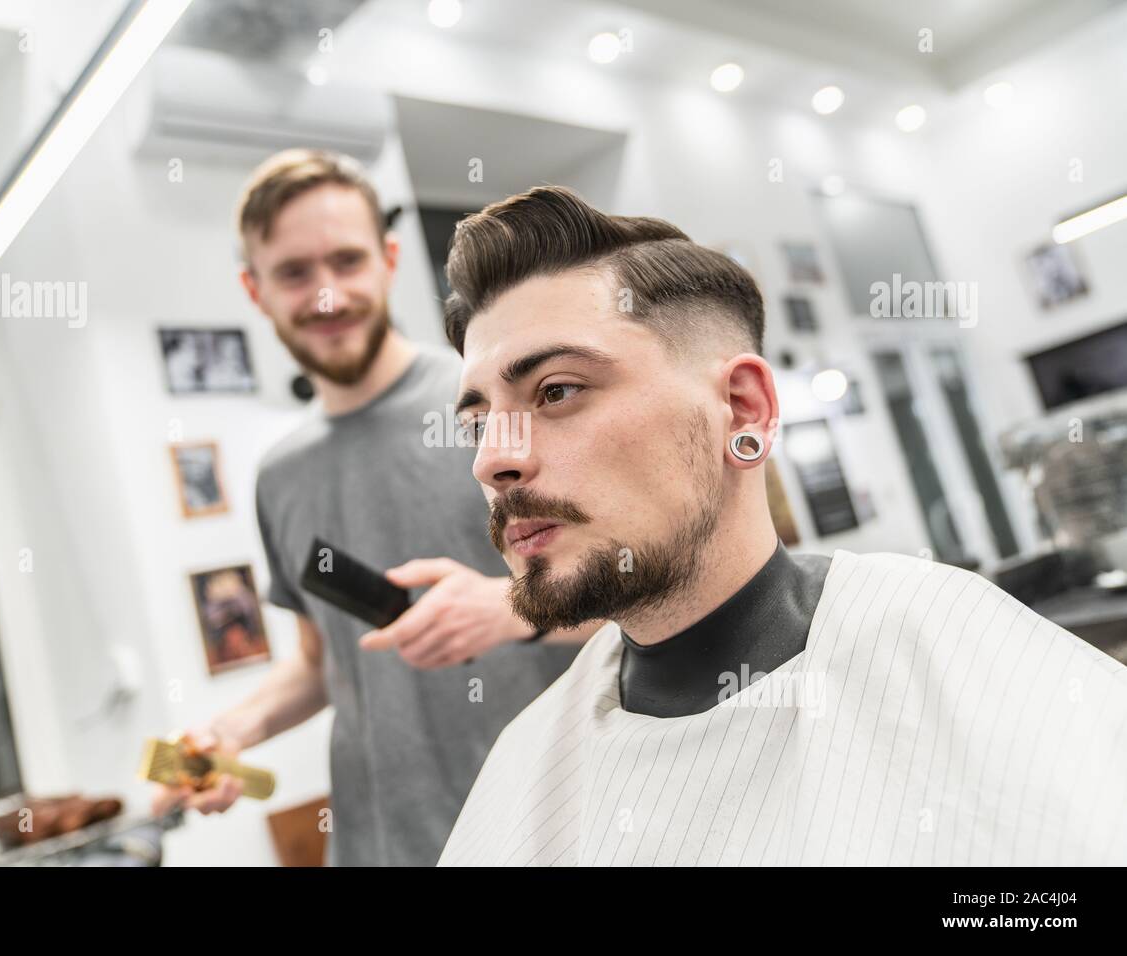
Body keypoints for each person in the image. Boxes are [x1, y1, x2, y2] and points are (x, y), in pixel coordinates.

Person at [435, 185, 1127, 866]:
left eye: (556, 391)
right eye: (477, 423)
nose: (492, 459)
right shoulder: (526, 765)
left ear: (741, 410)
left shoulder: (953, 650)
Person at [152, 151, 590, 866]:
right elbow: (324, 662)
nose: (326, 295)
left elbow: (640, 589)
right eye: (294, 272)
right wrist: (235, 729)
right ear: (254, 289)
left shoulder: (492, 403)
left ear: (388, 260)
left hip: (540, 837)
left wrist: (510, 608)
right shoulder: (279, 477)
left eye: (346, 261)